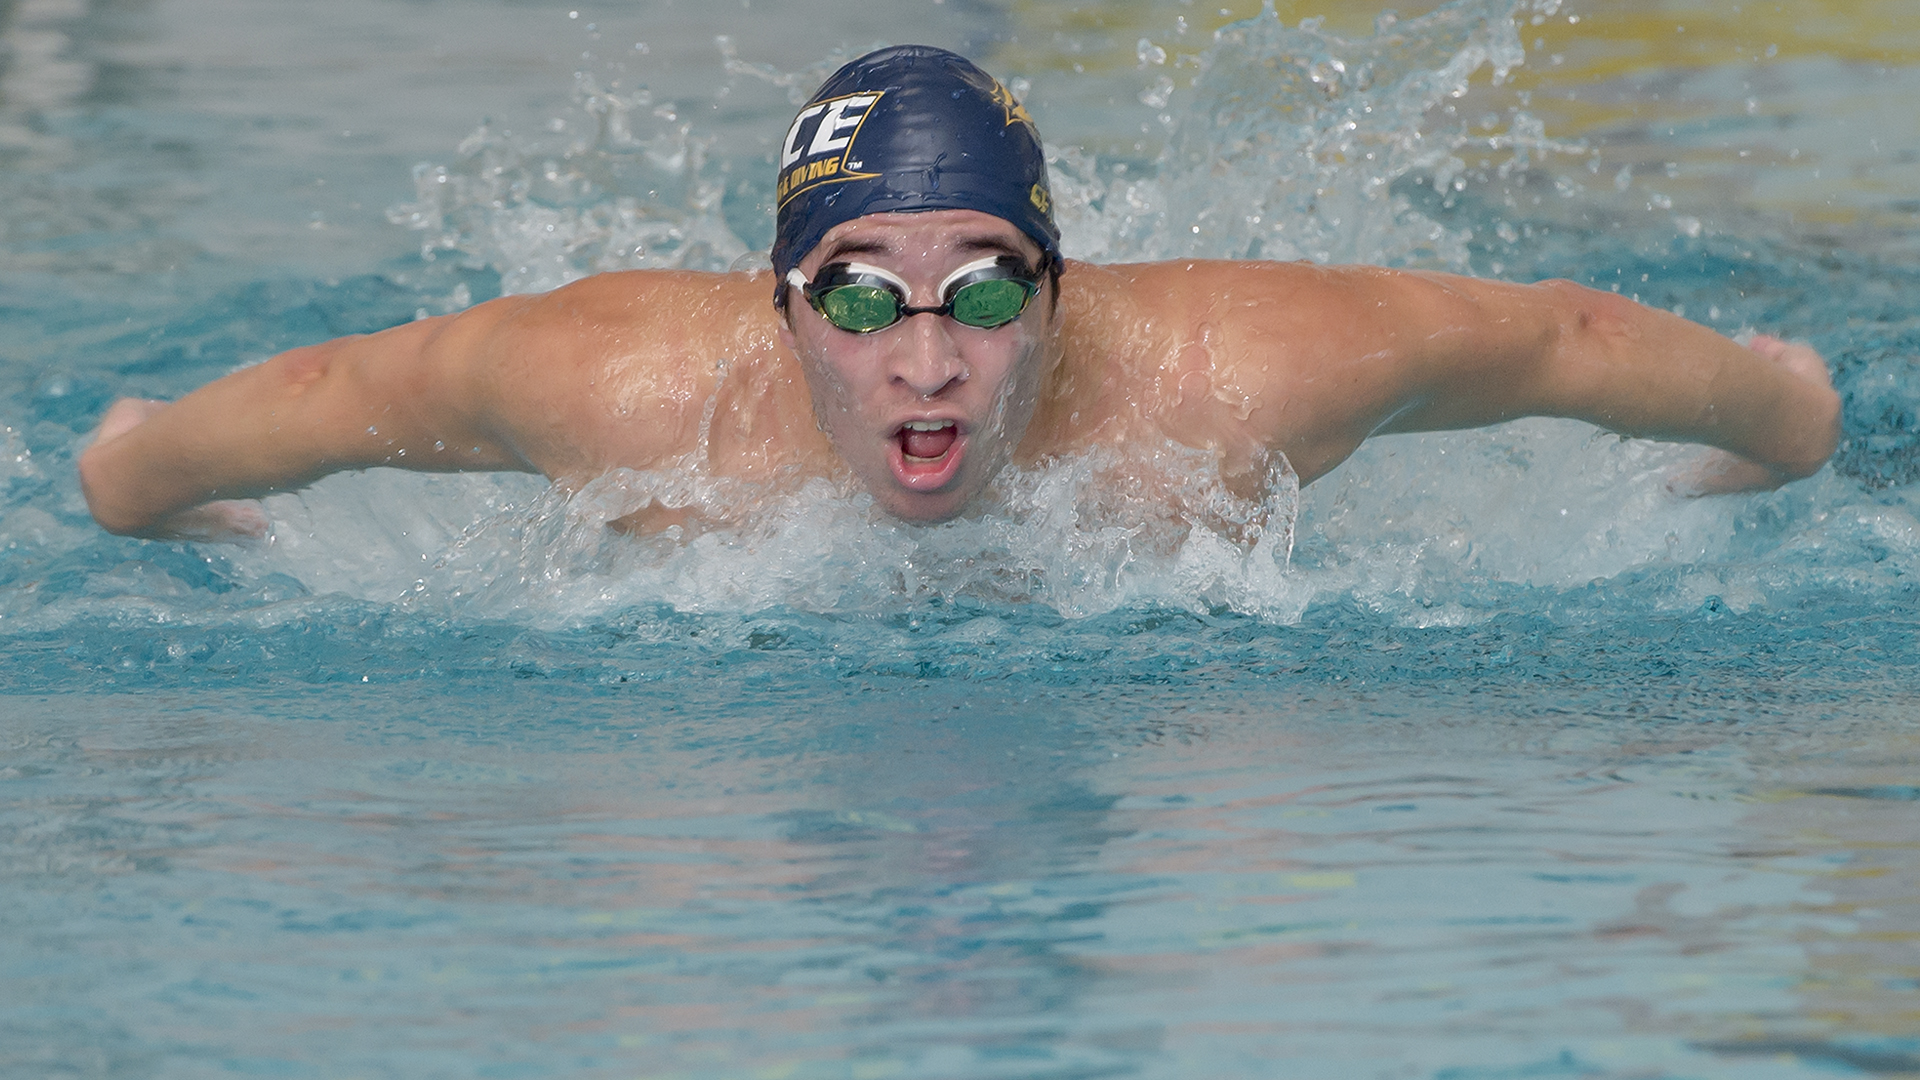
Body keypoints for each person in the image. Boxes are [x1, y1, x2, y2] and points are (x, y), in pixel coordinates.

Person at [79, 45, 1840, 543]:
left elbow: (1557, 338)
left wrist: (1788, 418)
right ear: (776, 310)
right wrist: (139, 482)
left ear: (1061, 300)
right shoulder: (622, 392)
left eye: (984, 296)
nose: (926, 362)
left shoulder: (1241, 373)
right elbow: (324, 401)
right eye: (857, 304)